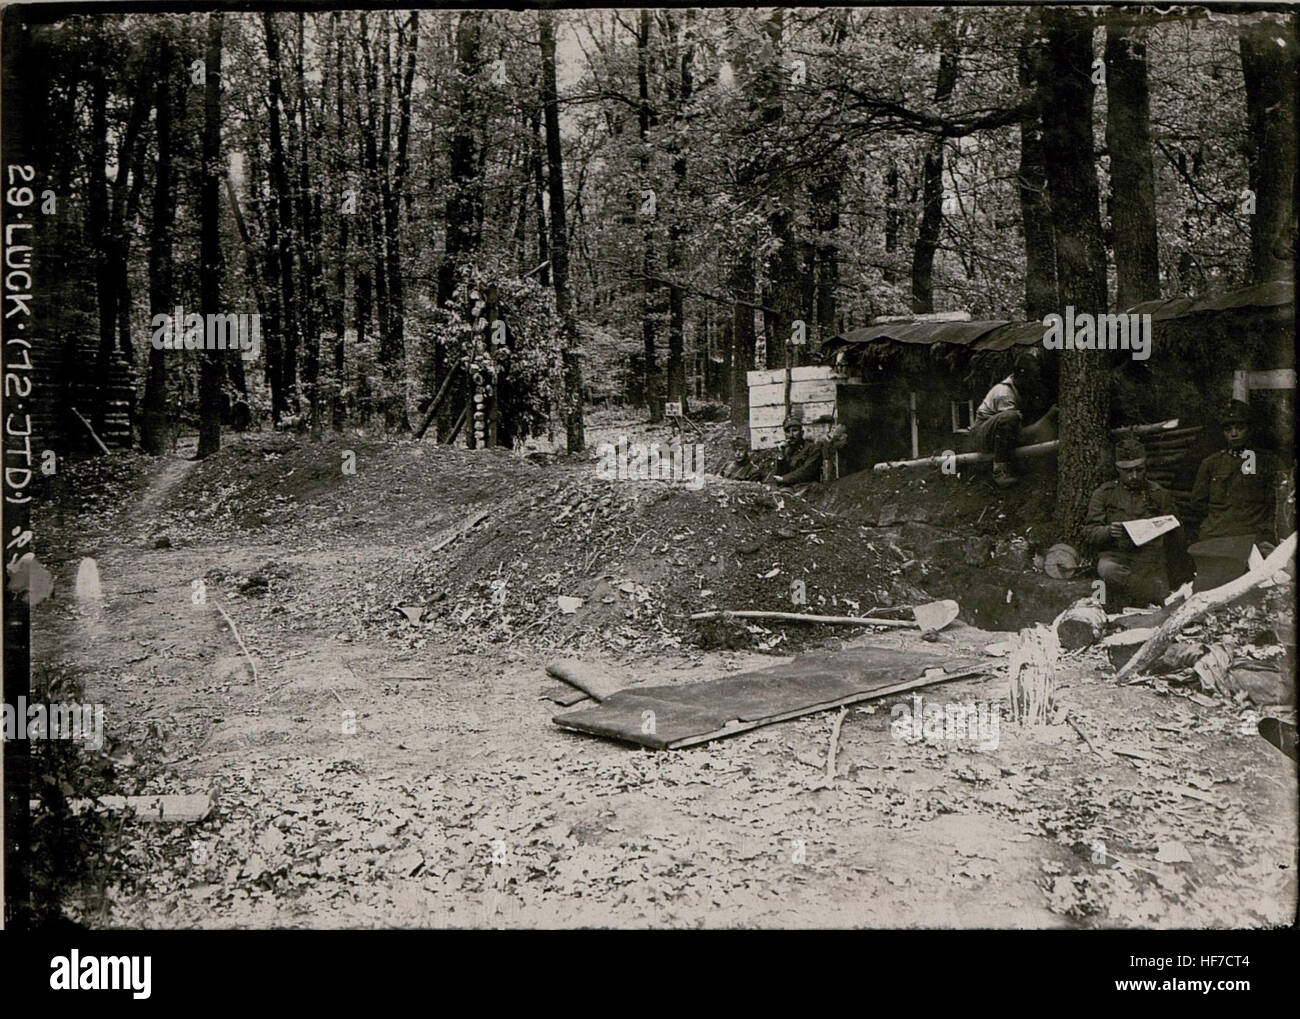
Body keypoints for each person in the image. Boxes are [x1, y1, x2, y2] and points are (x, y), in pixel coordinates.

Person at [1082, 437, 1179, 608]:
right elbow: (1089, 532)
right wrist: (1109, 531)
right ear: (1118, 469)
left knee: (1160, 595)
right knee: (1106, 570)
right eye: (1128, 471)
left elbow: (1177, 533)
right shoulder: (1104, 494)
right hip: (1117, 557)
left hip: (1149, 559)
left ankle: (1143, 593)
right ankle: (1142, 593)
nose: (1134, 476)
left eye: (1139, 470)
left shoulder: (1158, 494)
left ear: (1145, 467)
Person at [1185, 399, 1280, 556]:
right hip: (1218, 537)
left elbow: (1277, 504)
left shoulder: (1268, 462)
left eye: (1240, 428)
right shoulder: (1211, 463)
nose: (1234, 433)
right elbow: (1198, 503)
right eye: (1228, 429)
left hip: (1254, 539)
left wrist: (1265, 534)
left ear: (1249, 429)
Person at [968, 351, 1058, 488]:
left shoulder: (1021, 389)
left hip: (996, 436)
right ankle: (999, 471)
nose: (1035, 381)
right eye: (1032, 378)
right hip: (981, 437)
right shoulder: (1005, 394)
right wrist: (1047, 418)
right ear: (1021, 376)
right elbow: (1019, 433)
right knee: (1011, 417)